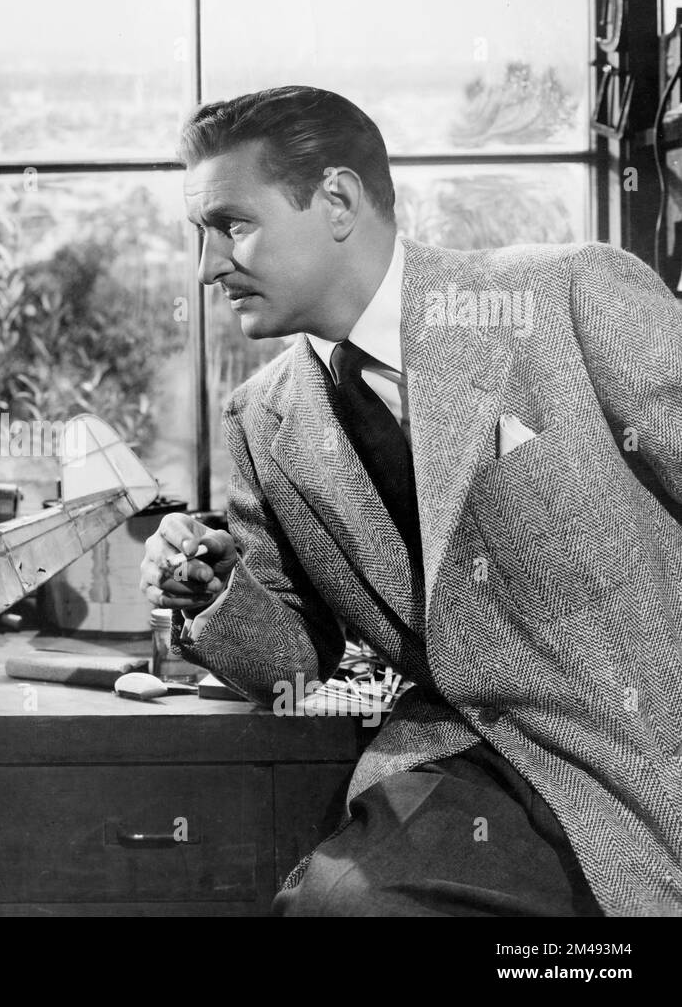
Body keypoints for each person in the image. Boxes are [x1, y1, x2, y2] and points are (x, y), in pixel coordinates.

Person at [140, 86, 682, 917]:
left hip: (651, 753)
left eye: (232, 225)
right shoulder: (262, 419)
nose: (208, 267)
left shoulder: (570, 297)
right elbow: (291, 665)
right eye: (201, 237)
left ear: (337, 201)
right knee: (336, 910)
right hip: (468, 764)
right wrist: (213, 594)